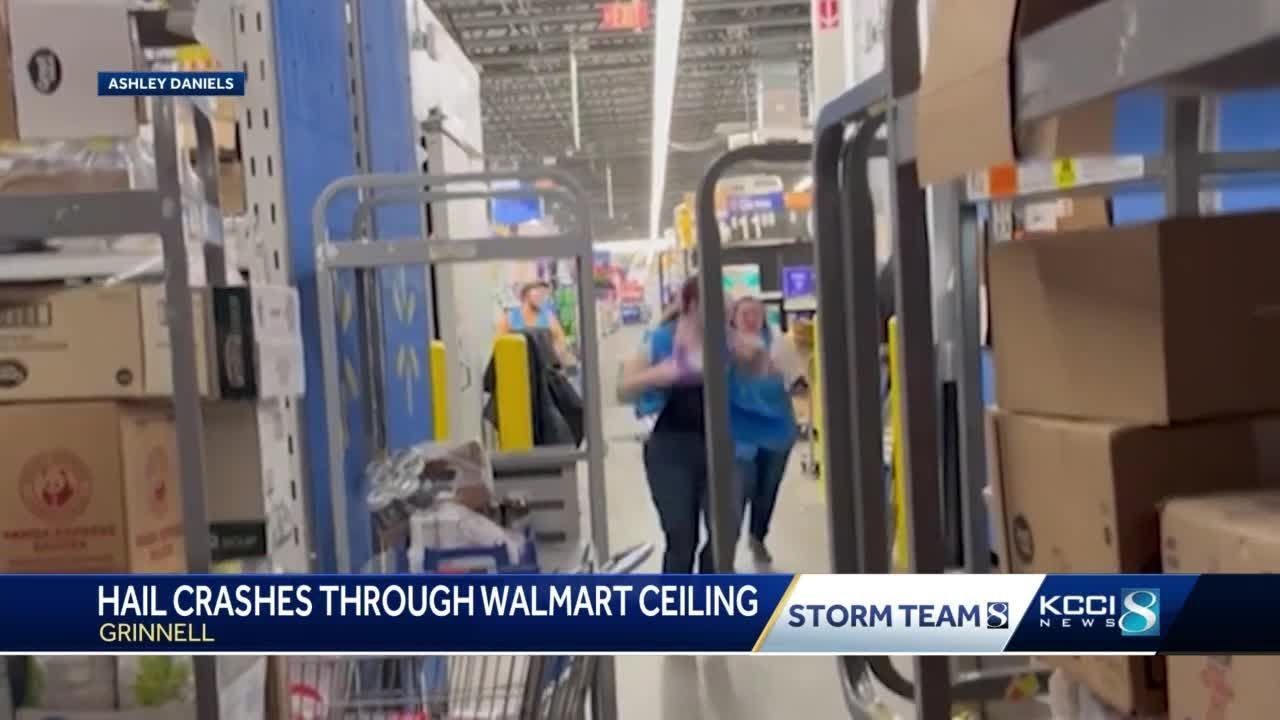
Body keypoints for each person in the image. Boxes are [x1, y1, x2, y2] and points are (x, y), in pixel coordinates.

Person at [618, 279, 794, 574]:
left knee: (724, 537)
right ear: (691, 306)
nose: (725, 315)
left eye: (727, 309)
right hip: (672, 449)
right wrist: (662, 375)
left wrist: (759, 356)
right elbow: (623, 390)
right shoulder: (661, 340)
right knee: (681, 538)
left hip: (730, 450)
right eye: (718, 307)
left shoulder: (732, 343)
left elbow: (768, 377)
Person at [728, 296, 801, 568]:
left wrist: (781, 372)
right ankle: (728, 551)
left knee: (767, 488)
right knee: (740, 490)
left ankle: (758, 537)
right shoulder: (725, 347)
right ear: (733, 318)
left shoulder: (779, 344)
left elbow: (797, 383)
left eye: (756, 314)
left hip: (775, 432)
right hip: (741, 435)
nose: (750, 319)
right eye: (745, 313)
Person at [497, 281, 576, 368]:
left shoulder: (549, 317)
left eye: (545, 294)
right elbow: (500, 347)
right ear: (526, 294)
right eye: (539, 292)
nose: (542, 297)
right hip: (518, 370)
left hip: (544, 371)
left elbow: (561, 343)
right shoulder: (510, 317)